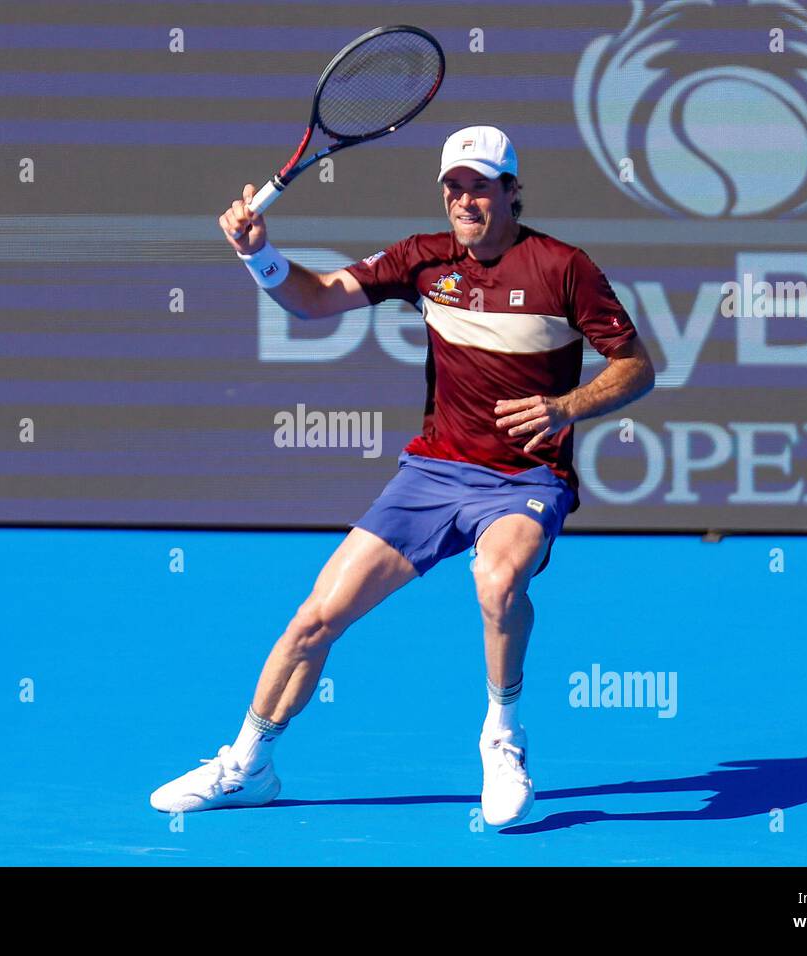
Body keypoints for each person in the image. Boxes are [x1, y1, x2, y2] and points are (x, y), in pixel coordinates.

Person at [150, 126, 655, 826]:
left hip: (524, 478)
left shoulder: (563, 268)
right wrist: (259, 254)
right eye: (454, 186)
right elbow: (318, 297)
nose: (465, 199)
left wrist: (566, 406)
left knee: (499, 580)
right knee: (315, 619)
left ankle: (502, 738)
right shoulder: (423, 260)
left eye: (480, 186)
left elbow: (637, 367)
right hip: (433, 473)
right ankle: (248, 763)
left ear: (512, 192)